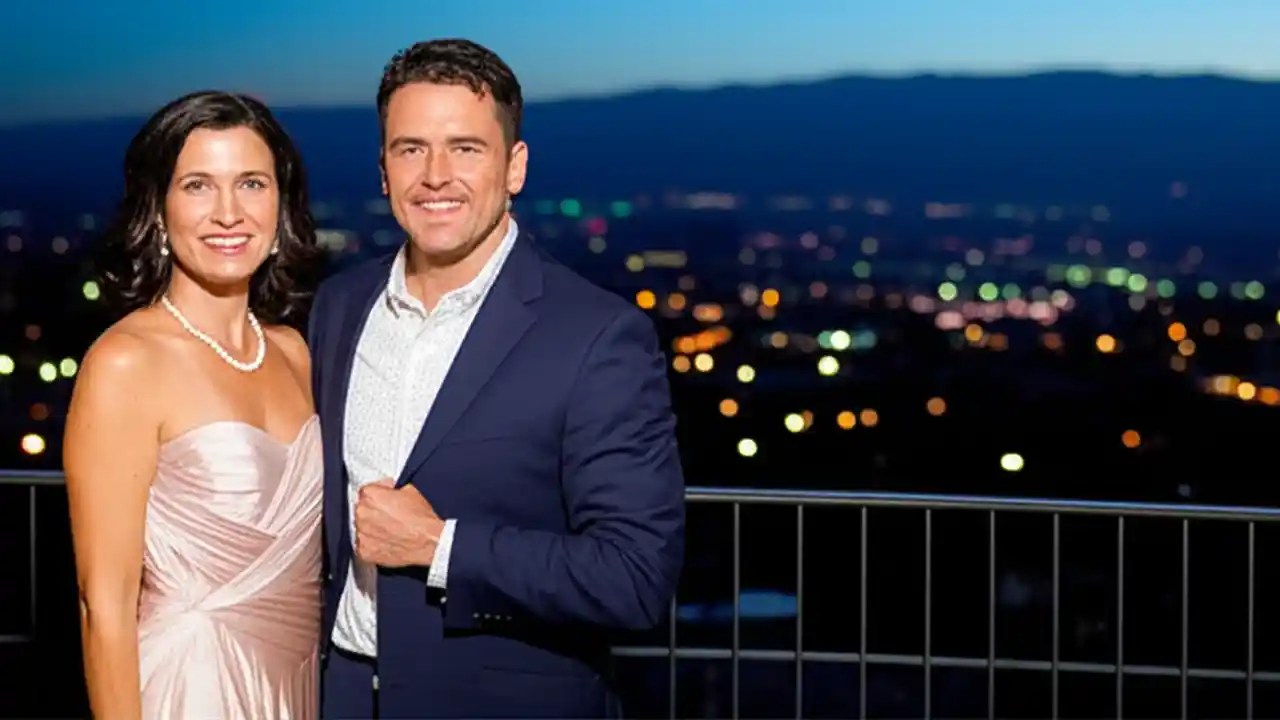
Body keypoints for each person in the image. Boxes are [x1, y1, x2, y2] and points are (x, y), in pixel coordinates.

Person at [309, 38, 685, 718]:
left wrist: (439, 546)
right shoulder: (339, 308)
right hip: (340, 699)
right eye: (410, 148)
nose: (435, 174)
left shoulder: (596, 335)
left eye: (466, 148)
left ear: (515, 167)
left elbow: (635, 579)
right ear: (383, 170)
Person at [62, 90, 325, 719]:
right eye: (199, 186)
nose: (229, 213)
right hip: (188, 686)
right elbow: (105, 605)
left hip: (296, 681)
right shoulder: (126, 362)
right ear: (159, 208)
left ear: (280, 204)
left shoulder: (294, 352)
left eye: (252, 184)